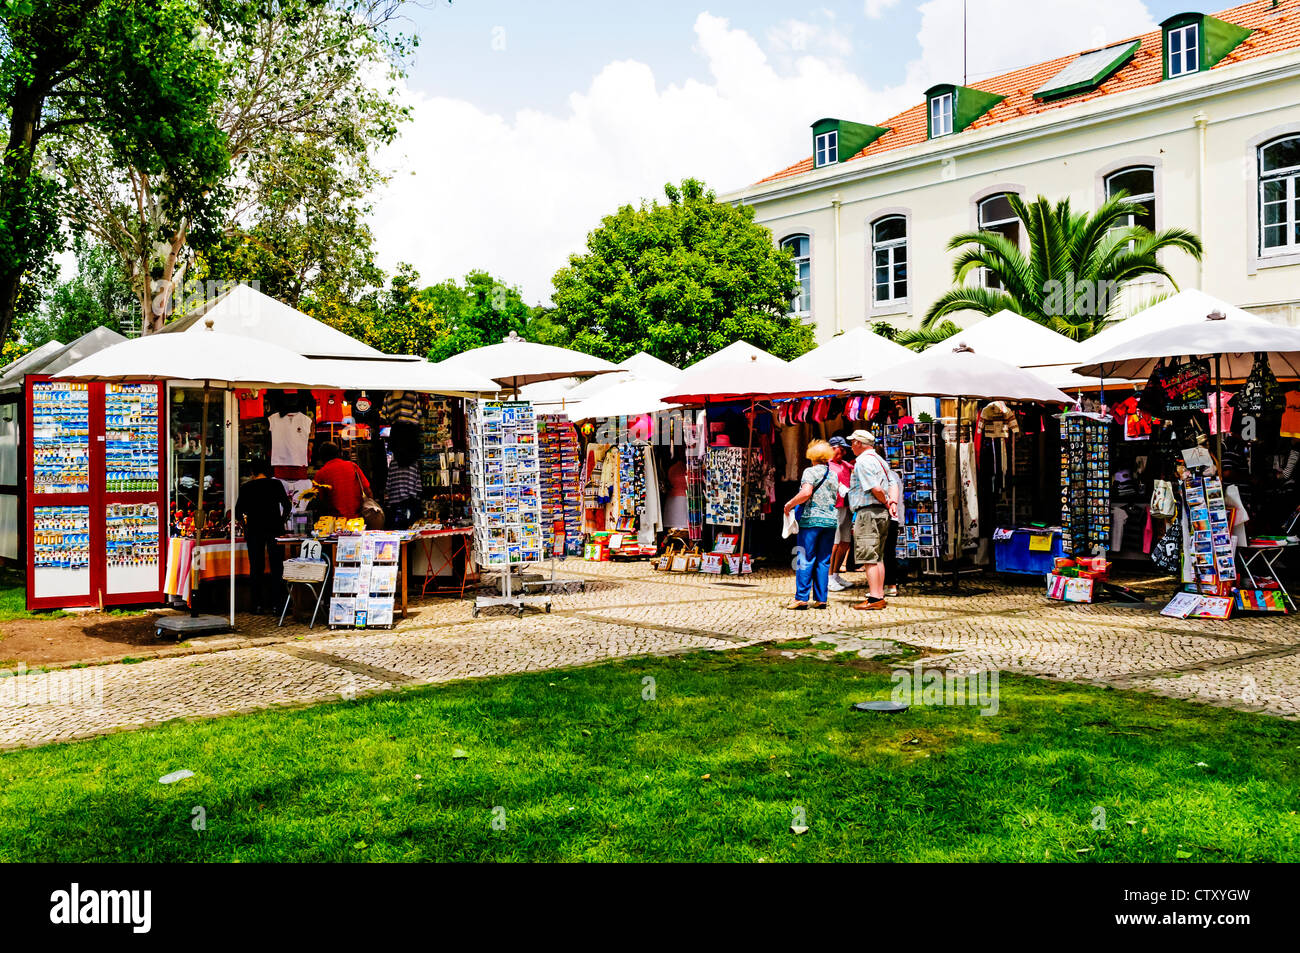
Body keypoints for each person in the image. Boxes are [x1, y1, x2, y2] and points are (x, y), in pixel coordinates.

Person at [782, 439, 840, 610]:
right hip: (830, 521)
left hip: (810, 521)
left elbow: (806, 492)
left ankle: (801, 597)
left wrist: (789, 504)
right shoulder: (833, 474)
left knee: (804, 558)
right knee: (823, 560)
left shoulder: (810, 471)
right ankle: (821, 599)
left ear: (812, 456)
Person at [234, 457, 291, 614]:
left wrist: (245, 525)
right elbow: (287, 505)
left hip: (254, 530)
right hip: (274, 529)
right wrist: (282, 520)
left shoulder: (247, 487)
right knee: (276, 567)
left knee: (256, 567)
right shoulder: (275, 484)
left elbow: (238, 511)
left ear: (252, 472)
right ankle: (277, 605)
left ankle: (257, 604)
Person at [848, 430, 890, 610]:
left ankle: (874, 598)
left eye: (852, 442)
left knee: (869, 557)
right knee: (878, 556)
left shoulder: (863, 461)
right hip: (879, 512)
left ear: (859, 443)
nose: (851, 446)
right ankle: (879, 594)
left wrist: (885, 501)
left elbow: (875, 488)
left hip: (869, 512)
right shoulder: (879, 460)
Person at [826, 436, 857, 592]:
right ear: (832, 448)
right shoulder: (826, 465)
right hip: (834, 507)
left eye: (845, 449)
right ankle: (829, 577)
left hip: (846, 505)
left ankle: (836, 574)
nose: (843, 452)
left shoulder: (844, 464)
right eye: (841, 448)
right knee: (835, 542)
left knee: (845, 541)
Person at [314, 441, 372, 519]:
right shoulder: (353, 466)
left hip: (334, 522)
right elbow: (368, 491)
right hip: (357, 520)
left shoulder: (320, 474)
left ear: (322, 457)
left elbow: (319, 500)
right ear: (339, 454)